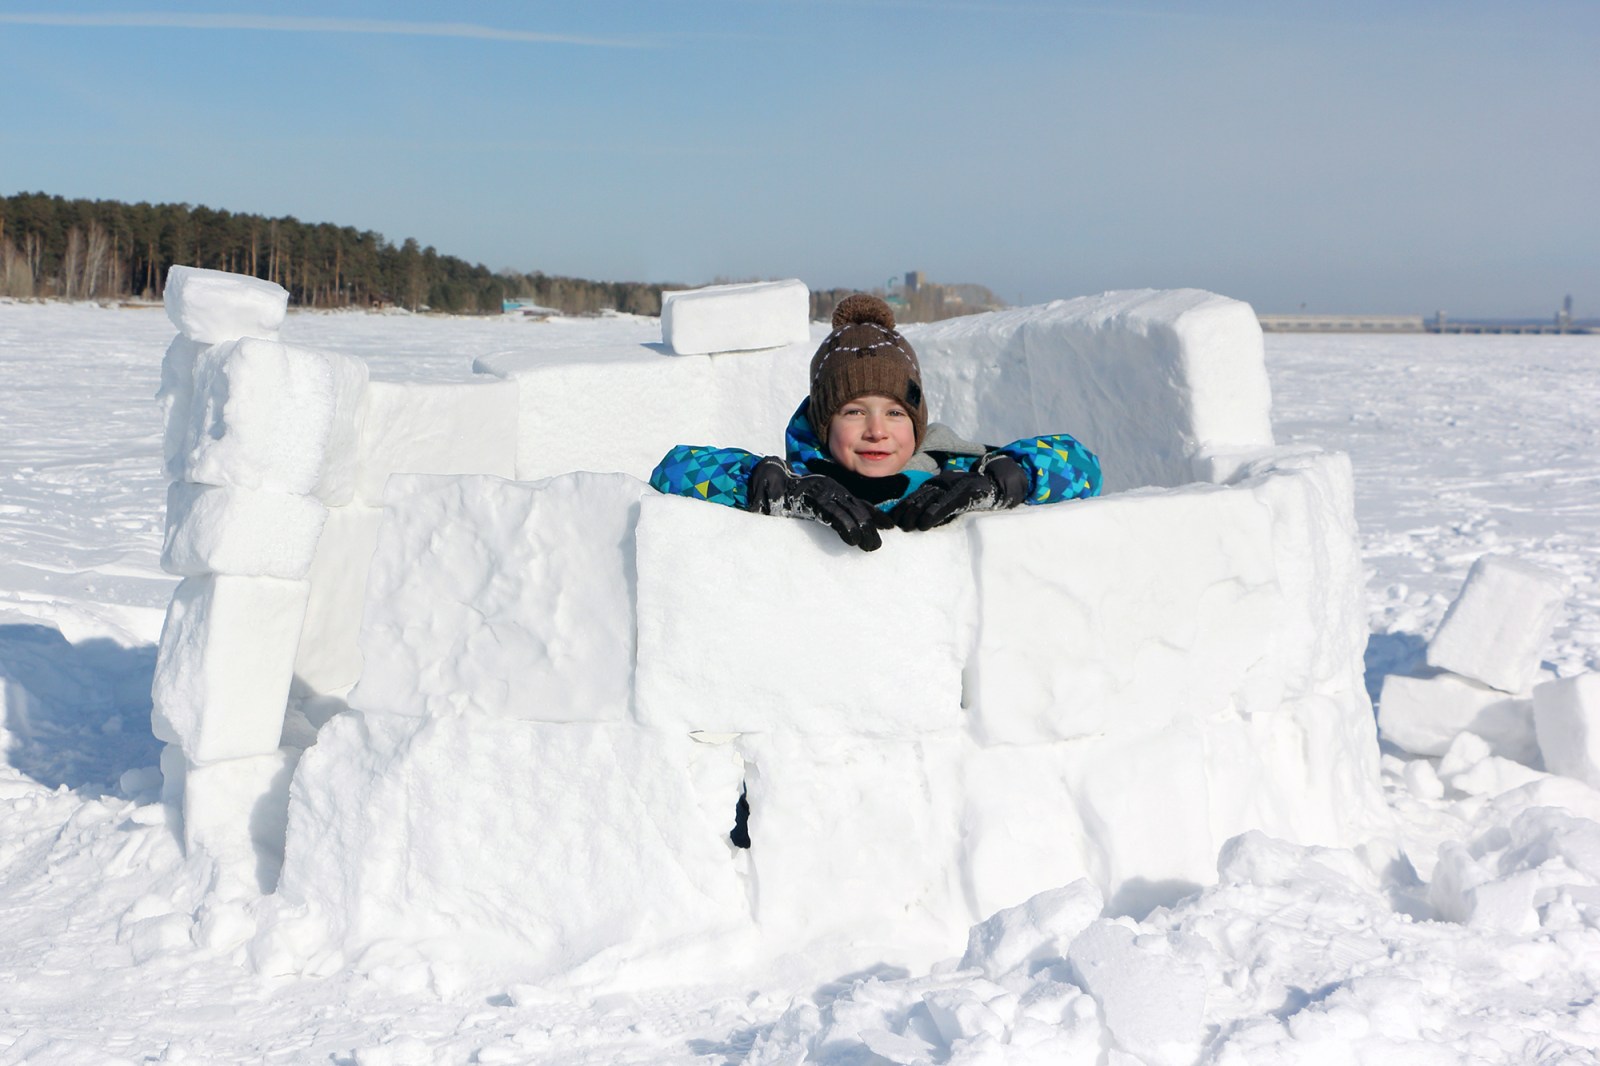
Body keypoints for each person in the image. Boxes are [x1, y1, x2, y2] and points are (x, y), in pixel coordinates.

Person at [649, 294, 1101, 552]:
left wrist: (1010, 477)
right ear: (822, 424)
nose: (876, 430)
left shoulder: (955, 473)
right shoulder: (798, 481)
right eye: (853, 411)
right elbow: (672, 470)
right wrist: (768, 486)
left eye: (895, 412)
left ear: (918, 424)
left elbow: (1084, 467)